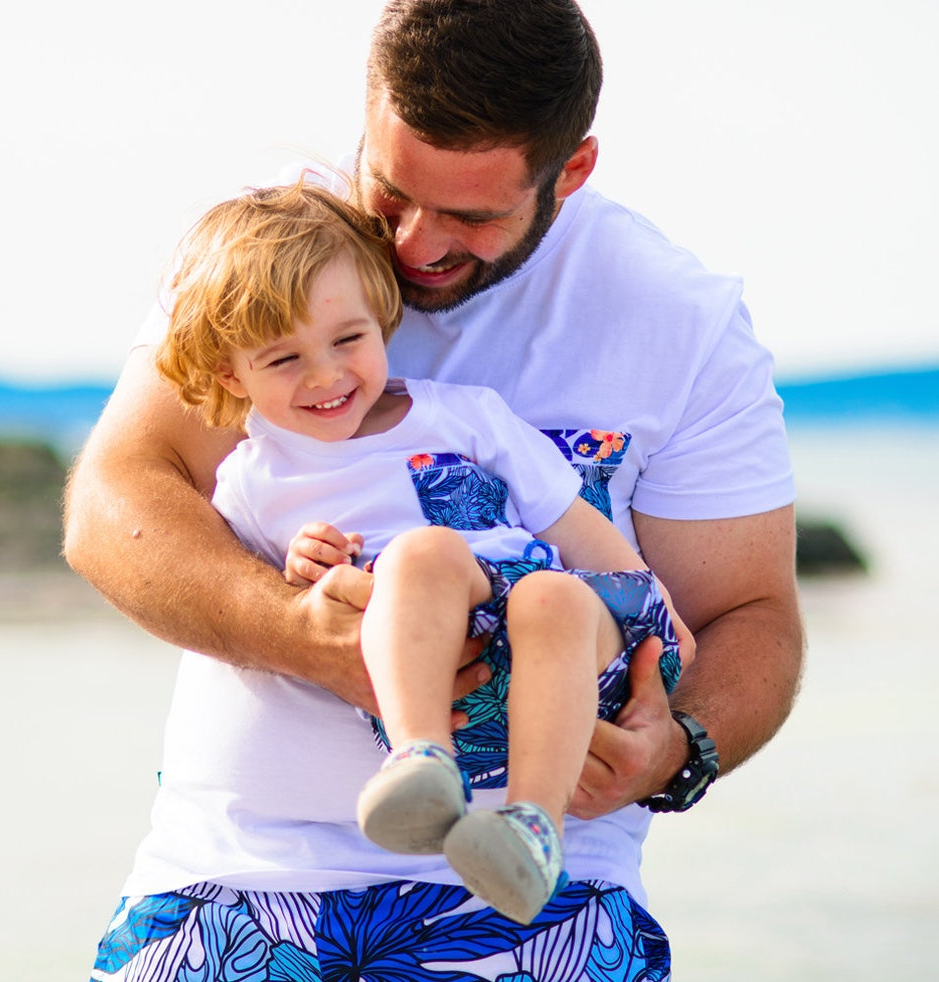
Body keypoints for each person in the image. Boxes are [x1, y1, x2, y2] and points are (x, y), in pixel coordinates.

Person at [67, 1, 803, 978]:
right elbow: (116, 504)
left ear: (570, 172)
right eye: (391, 189)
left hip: (546, 911)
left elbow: (751, 613)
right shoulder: (268, 256)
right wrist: (308, 636)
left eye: (471, 215)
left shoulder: (681, 324)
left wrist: (680, 749)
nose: (412, 245)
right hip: (229, 881)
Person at [150, 181, 695, 926]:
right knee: (419, 557)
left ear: (381, 319)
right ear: (229, 375)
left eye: (348, 340)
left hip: (557, 642)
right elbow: (257, 600)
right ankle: (422, 765)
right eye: (283, 360)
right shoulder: (253, 480)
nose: (325, 375)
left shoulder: (460, 414)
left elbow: (575, 526)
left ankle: (533, 829)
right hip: (423, 662)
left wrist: (667, 625)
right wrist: (305, 569)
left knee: (550, 593)